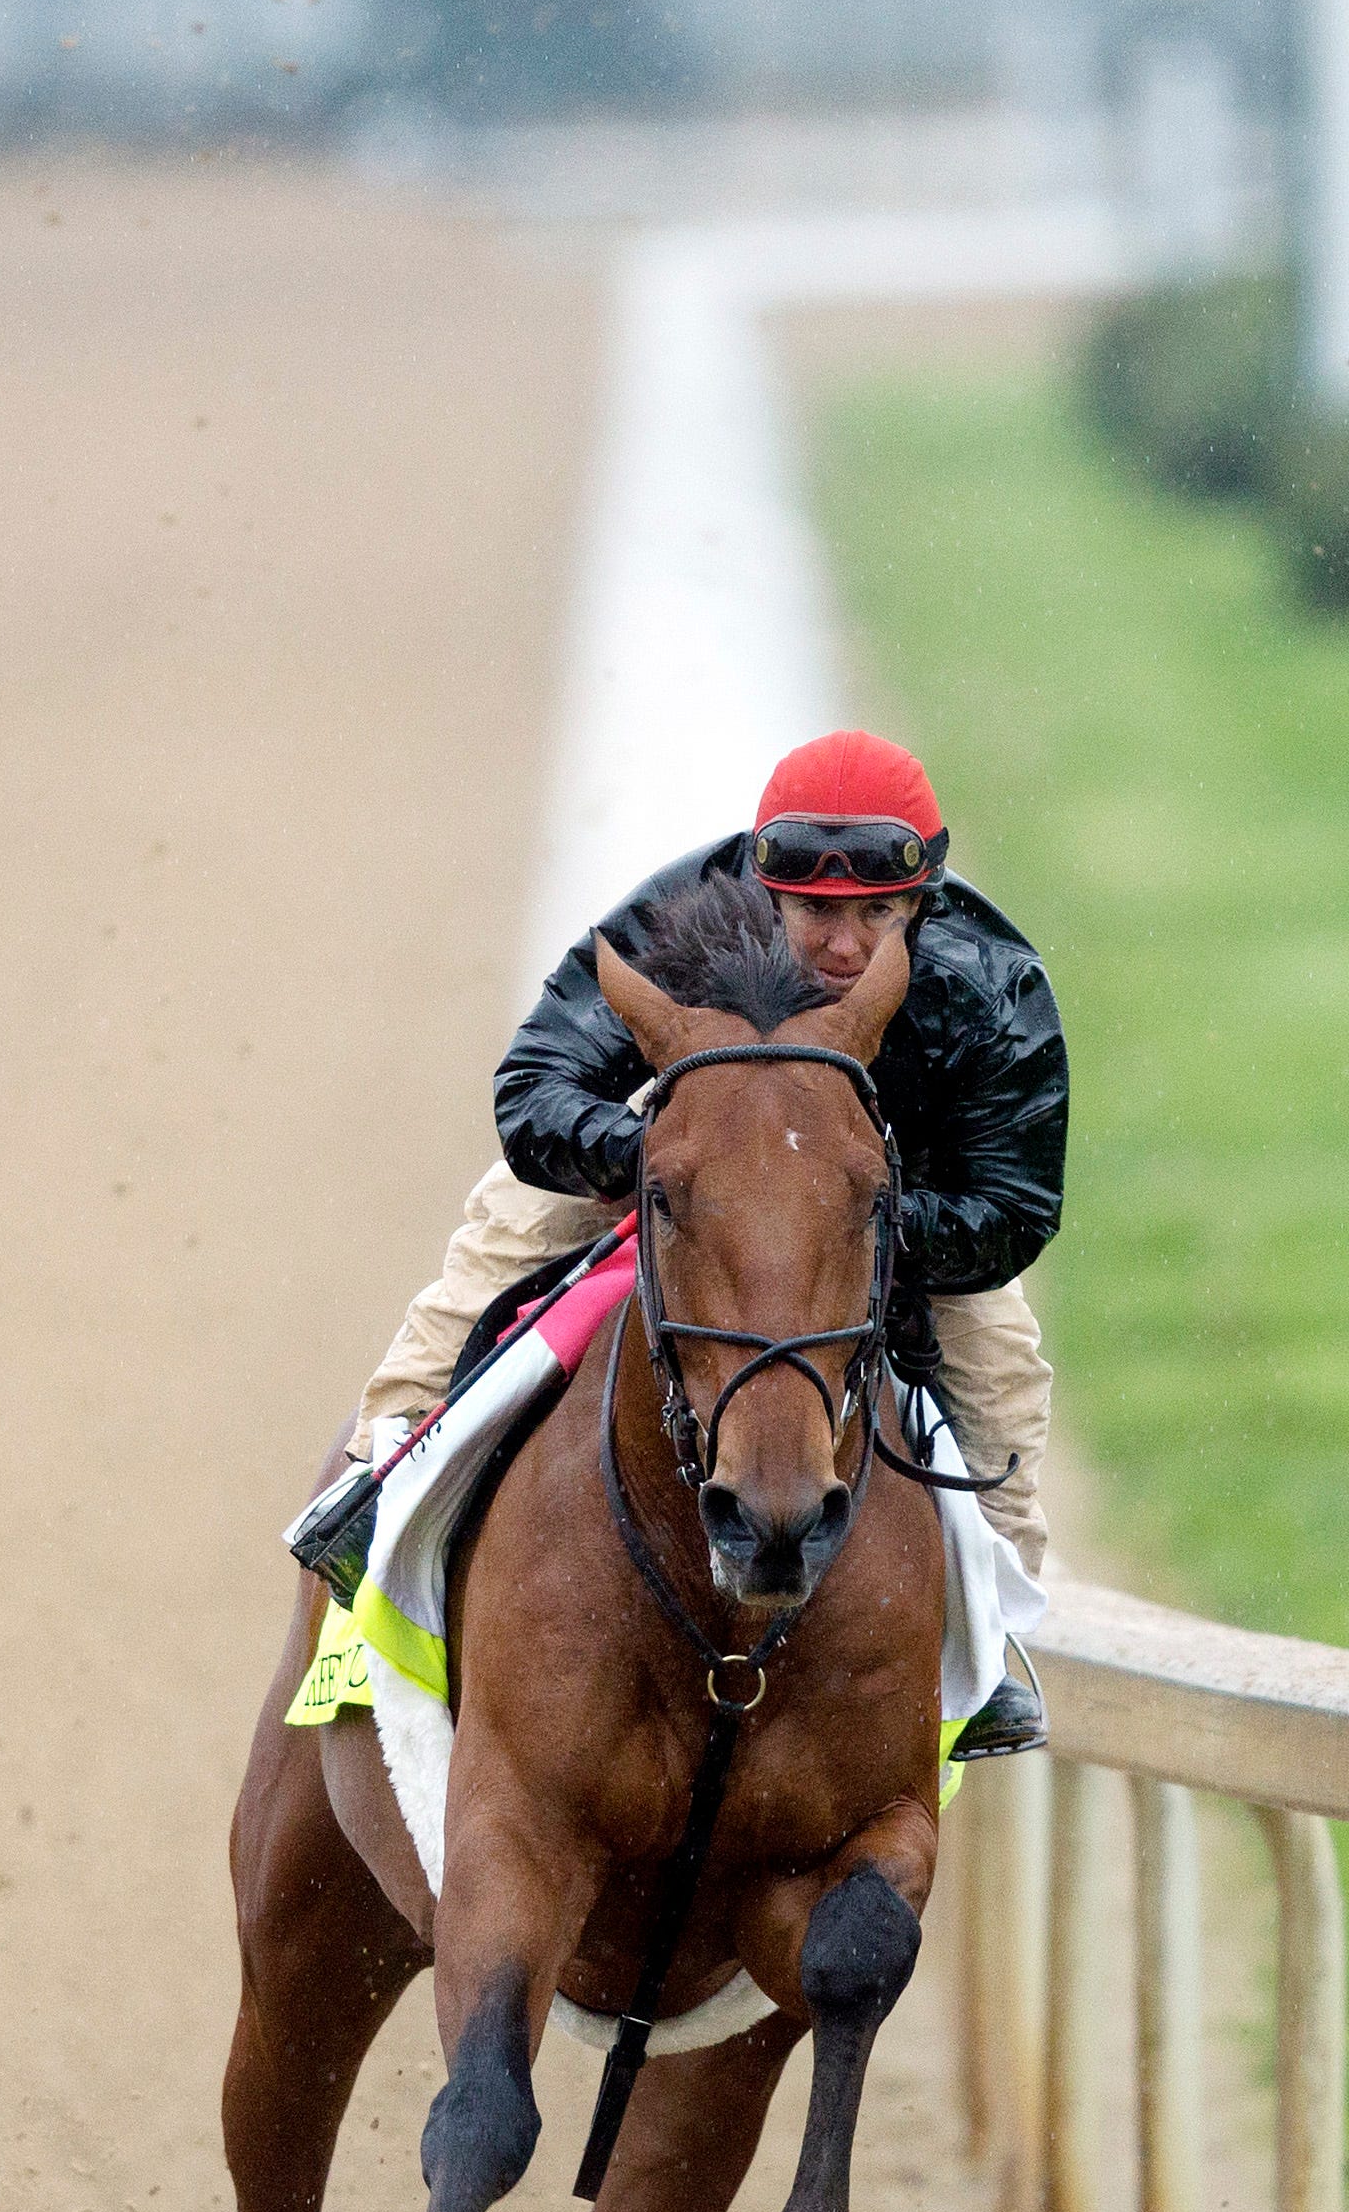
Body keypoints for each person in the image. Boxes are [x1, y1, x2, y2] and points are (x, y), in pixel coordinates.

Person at [351, 729, 1066, 1755]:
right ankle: (373, 1493)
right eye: (816, 912)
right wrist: (655, 1160)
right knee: (505, 1230)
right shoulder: (676, 921)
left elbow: (1015, 1209)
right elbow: (533, 1089)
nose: (845, 947)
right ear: (767, 888)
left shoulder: (993, 988)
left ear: (923, 898)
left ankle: (991, 1647)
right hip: (681, 1159)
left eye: (876, 914)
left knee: (1003, 1372)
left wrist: (852, 1222)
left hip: (889, 1198)